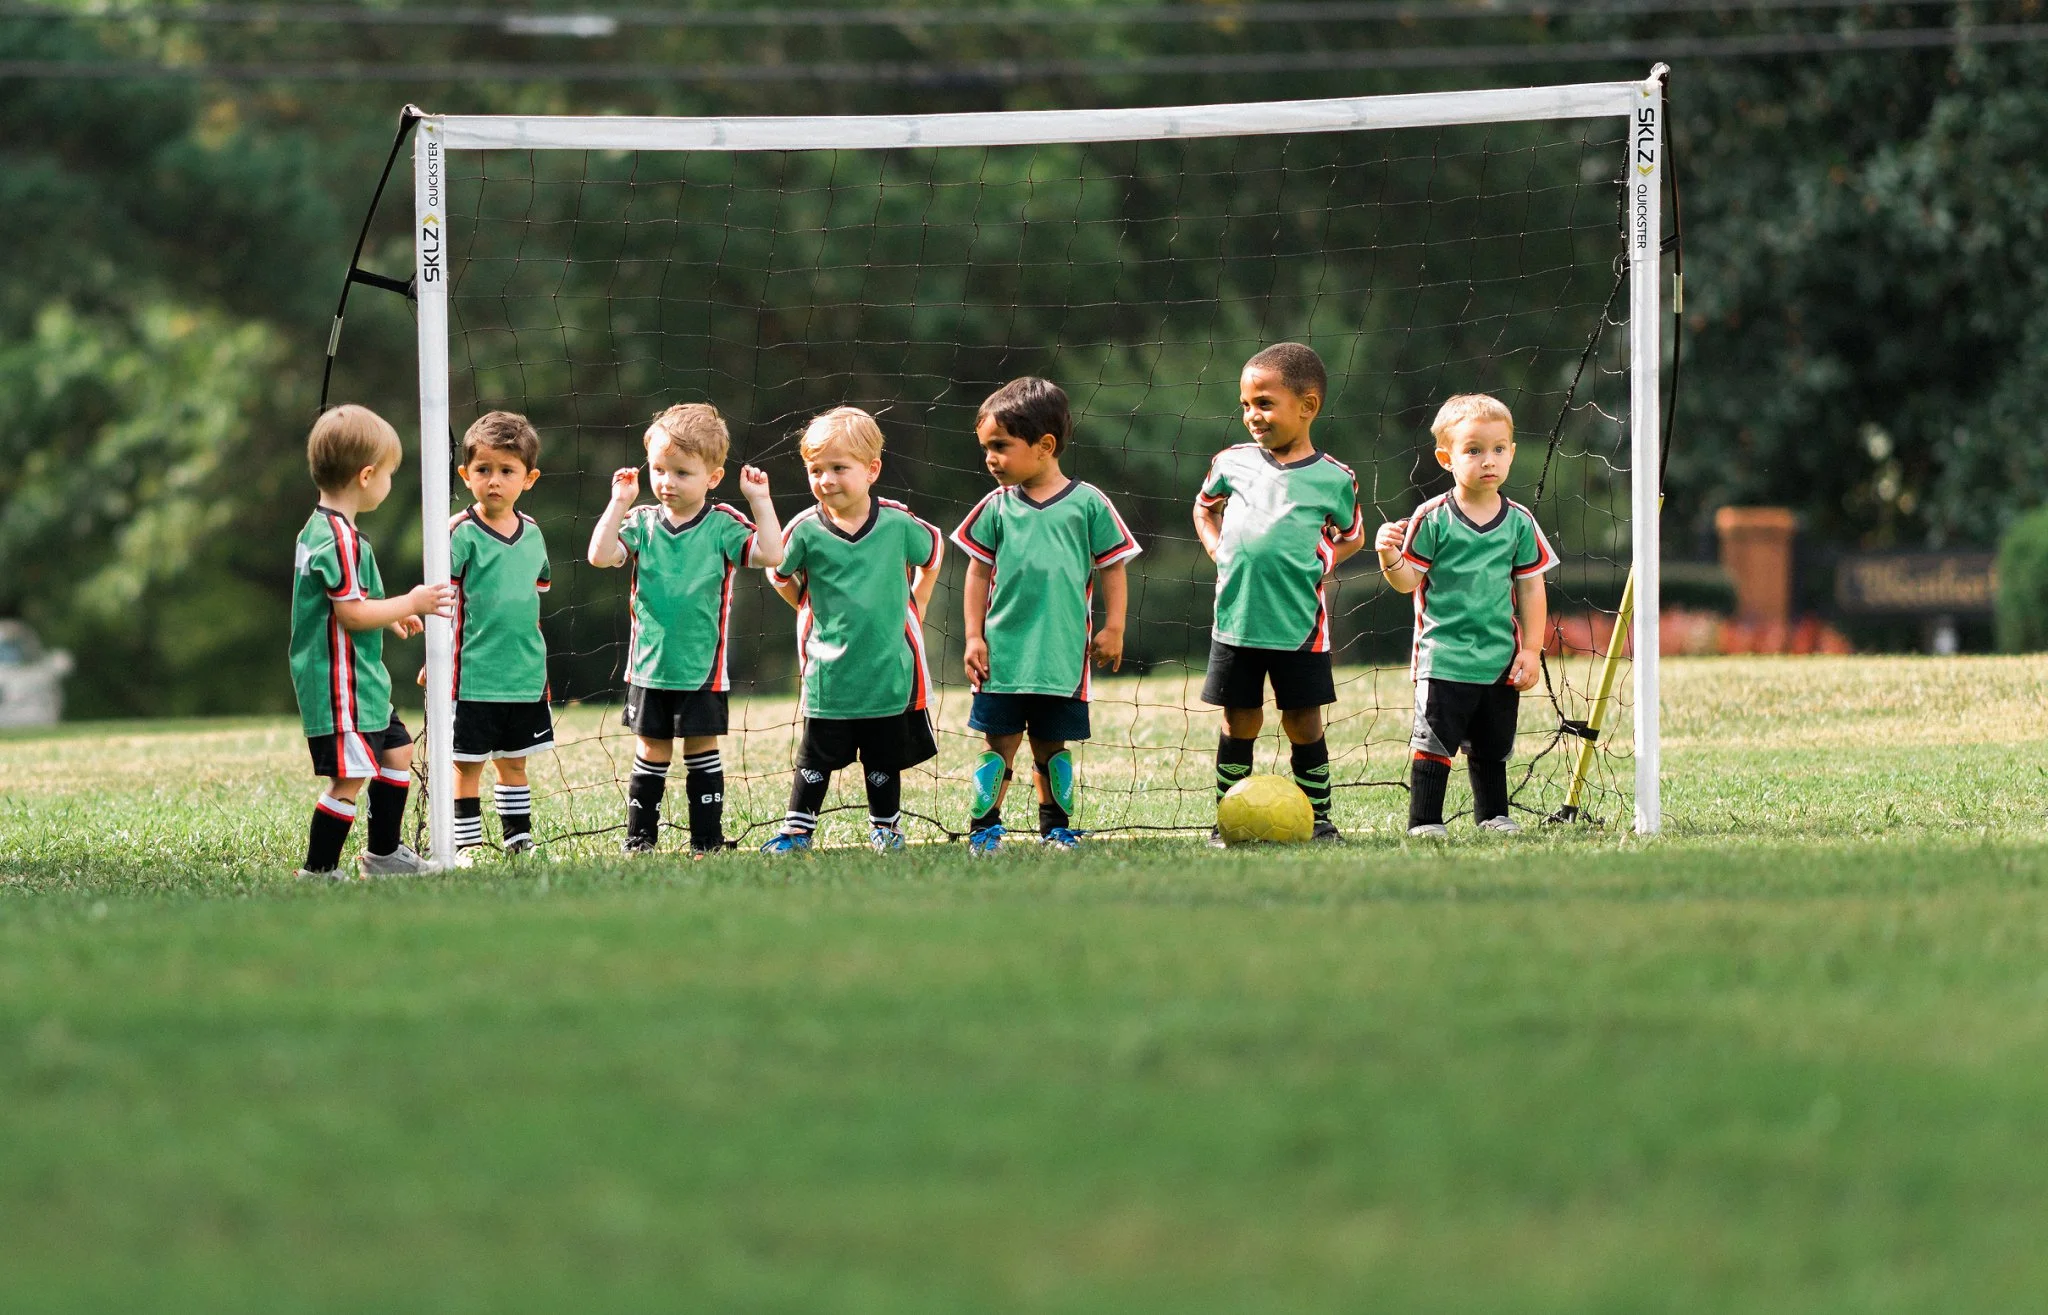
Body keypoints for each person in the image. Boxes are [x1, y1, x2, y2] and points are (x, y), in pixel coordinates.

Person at [951, 377, 1140, 854]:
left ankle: (1055, 828)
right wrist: (974, 637)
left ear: (1045, 445)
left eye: (1001, 446)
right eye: (985, 448)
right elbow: (976, 574)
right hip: (1004, 658)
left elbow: (1112, 567)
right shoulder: (995, 508)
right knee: (999, 747)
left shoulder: (1089, 504)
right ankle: (985, 828)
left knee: (1052, 749)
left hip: (1062, 657)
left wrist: (1114, 626)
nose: (990, 457)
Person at [587, 403, 784, 855]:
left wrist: (760, 501)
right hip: (649, 668)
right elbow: (599, 556)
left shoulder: (723, 526)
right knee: (651, 752)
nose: (666, 482)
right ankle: (640, 840)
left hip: (703, 671)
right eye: (658, 469)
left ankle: (707, 842)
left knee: (701, 752)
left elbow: (772, 554)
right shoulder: (640, 524)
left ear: (712, 478)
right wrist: (619, 502)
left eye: (681, 473)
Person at [1193, 343, 1365, 844]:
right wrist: (1218, 548)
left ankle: (1320, 818)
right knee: (1239, 719)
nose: (1252, 415)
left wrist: (1323, 560)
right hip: (1236, 621)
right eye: (1246, 404)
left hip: (1299, 628)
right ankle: (1228, 819)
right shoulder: (1231, 462)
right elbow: (1205, 508)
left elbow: (1351, 534)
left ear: (1307, 406)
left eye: (1265, 403)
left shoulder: (1336, 478)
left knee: (1303, 721)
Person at [760, 406, 944, 853]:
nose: (826, 480)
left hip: (888, 669)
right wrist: (805, 605)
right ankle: (797, 831)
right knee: (814, 755)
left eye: (839, 468)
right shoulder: (804, 529)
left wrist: (916, 603)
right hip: (828, 671)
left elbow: (932, 554)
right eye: (815, 470)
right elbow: (778, 575)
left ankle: (886, 828)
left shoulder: (899, 522)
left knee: (883, 757)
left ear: (871, 470)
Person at [1375, 393, 1555, 838]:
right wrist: (1388, 555)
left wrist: (1531, 650)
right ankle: (1425, 822)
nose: (1487, 460)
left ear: (1511, 453)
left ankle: (1494, 816)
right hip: (1444, 659)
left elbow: (1531, 587)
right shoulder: (1432, 518)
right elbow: (1407, 581)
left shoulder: (1519, 522)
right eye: (1473, 450)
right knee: (1434, 744)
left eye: (1498, 449)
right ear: (1446, 458)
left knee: (1493, 747)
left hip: (1498, 659)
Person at [289, 404, 455, 879]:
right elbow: (351, 612)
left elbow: (348, 604)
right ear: (366, 476)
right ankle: (318, 871)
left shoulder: (330, 529)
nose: (390, 482)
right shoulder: (336, 538)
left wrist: (389, 619)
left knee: (396, 750)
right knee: (352, 776)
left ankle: (383, 855)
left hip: (362, 680)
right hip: (338, 683)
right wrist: (410, 603)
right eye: (389, 473)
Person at [442, 411, 554, 864]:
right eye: (484, 470)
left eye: (507, 471)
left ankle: (517, 840)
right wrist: (436, 656)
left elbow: (535, 592)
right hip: (472, 676)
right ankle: (465, 845)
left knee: (514, 762)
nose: (494, 481)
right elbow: (442, 601)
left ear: (528, 479)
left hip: (524, 674)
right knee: (466, 764)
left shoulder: (534, 536)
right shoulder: (458, 533)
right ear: (465, 474)